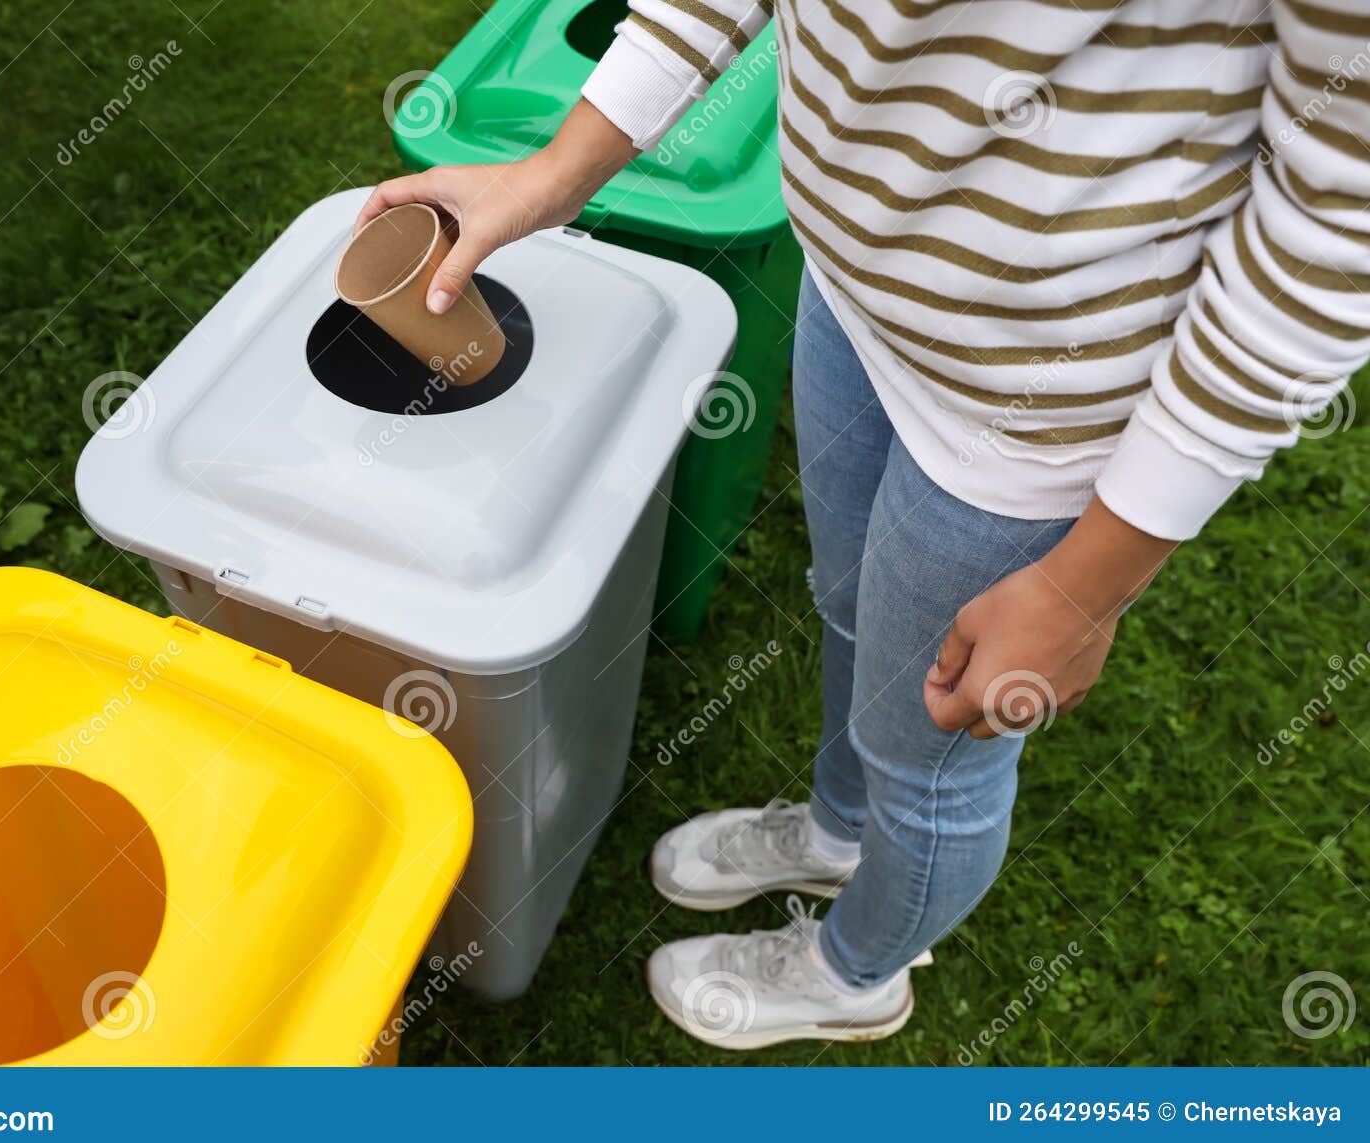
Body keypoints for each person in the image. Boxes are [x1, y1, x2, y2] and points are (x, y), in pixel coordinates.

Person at [358, 0, 1368, 1048]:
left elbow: (1335, 228)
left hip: (1037, 405)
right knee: (849, 606)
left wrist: (1083, 584)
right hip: (853, 295)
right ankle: (841, 829)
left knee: (931, 753)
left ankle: (855, 972)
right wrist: (552, 172)